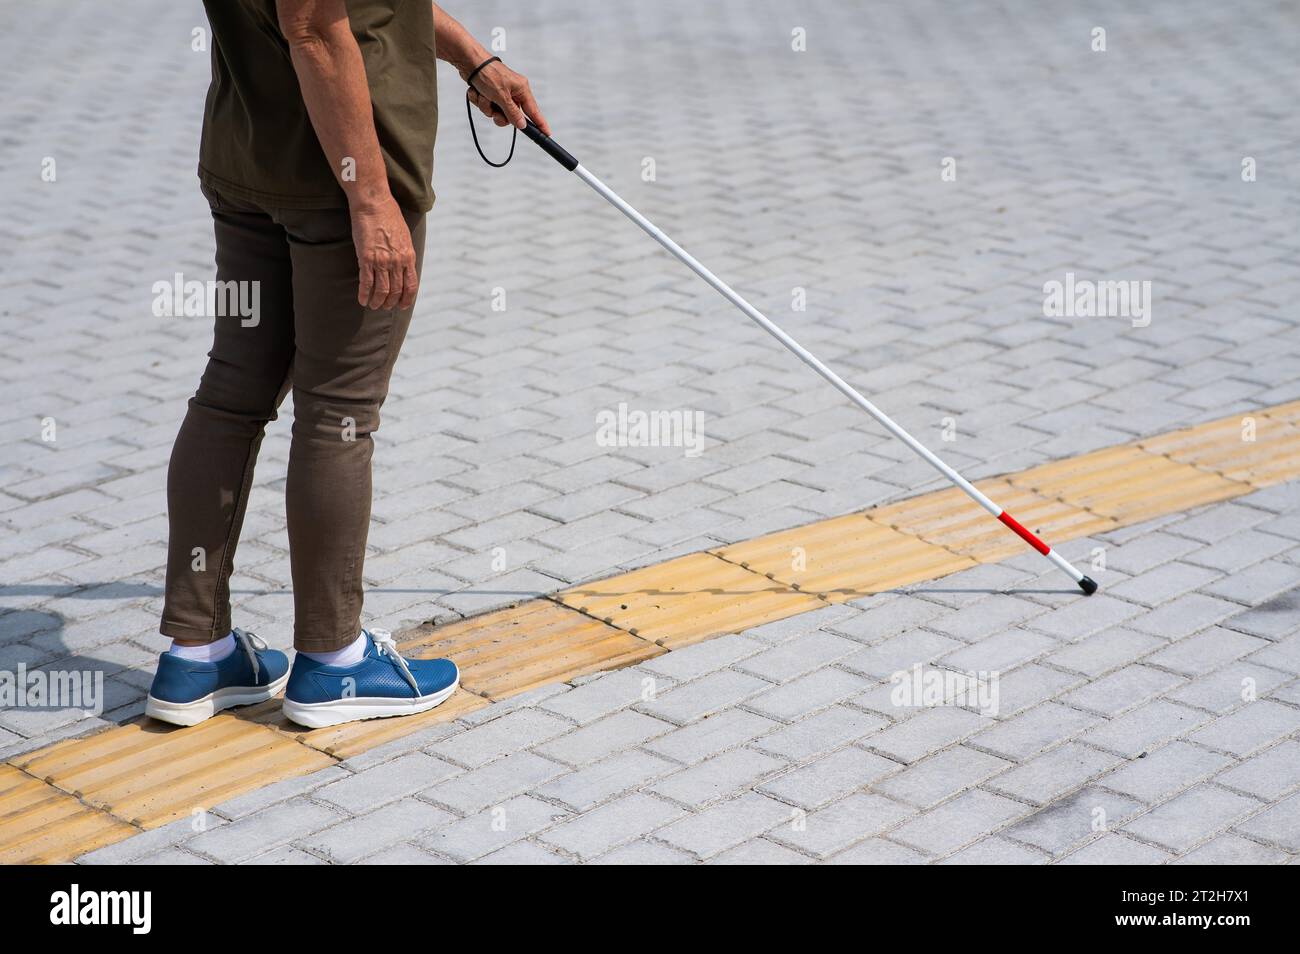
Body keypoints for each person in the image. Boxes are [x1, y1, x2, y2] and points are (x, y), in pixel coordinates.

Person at [145, 0, 548, 728]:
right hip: (338, 178)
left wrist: (467, 55)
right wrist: (369, 200)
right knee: (339, 414)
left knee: (231, 394)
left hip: (249, 153)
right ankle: (333, 664)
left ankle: (195, 654)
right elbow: (311, 23)